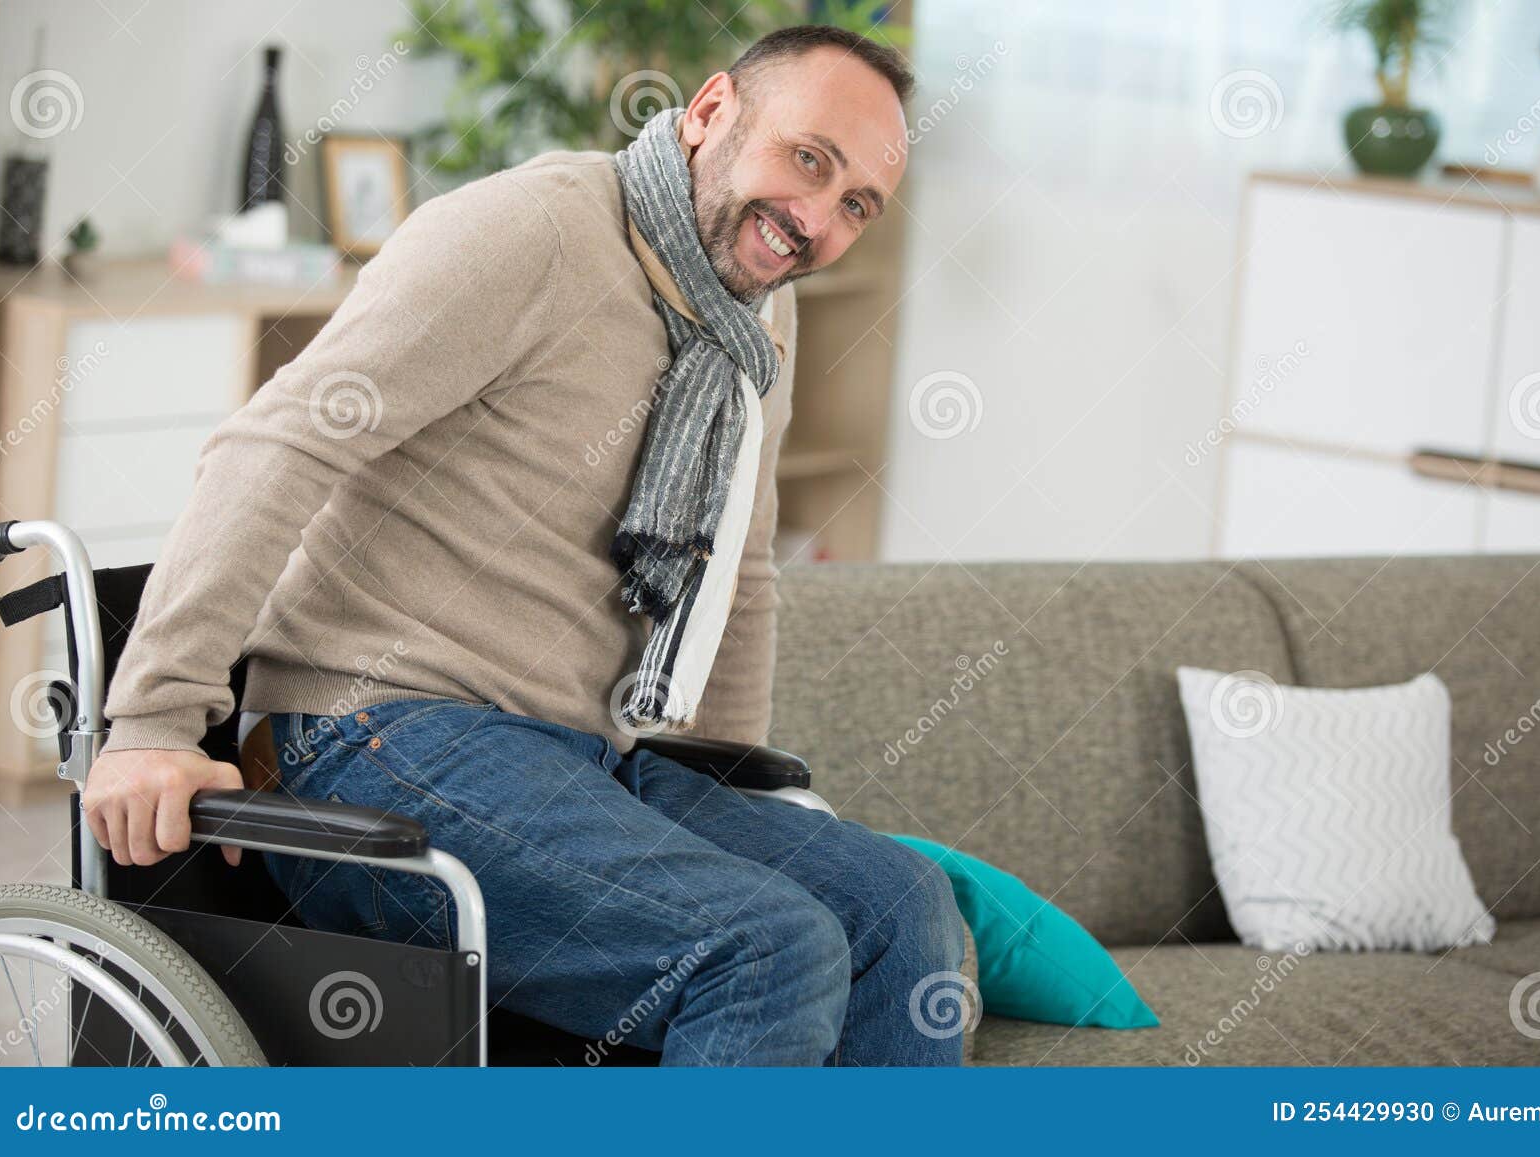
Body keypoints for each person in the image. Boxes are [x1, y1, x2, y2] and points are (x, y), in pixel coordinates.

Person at [81, 25, 966, 1066]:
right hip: (377, 737)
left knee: (901, 905)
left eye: (856, 202)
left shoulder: (756, 322)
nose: (814, 219)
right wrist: (152, 719)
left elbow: (743, 568)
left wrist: (726, 792)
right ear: (711, 110)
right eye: (808, 158)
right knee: (766, 945)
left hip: (587, 760)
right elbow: (276, 446)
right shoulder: (530, 232)